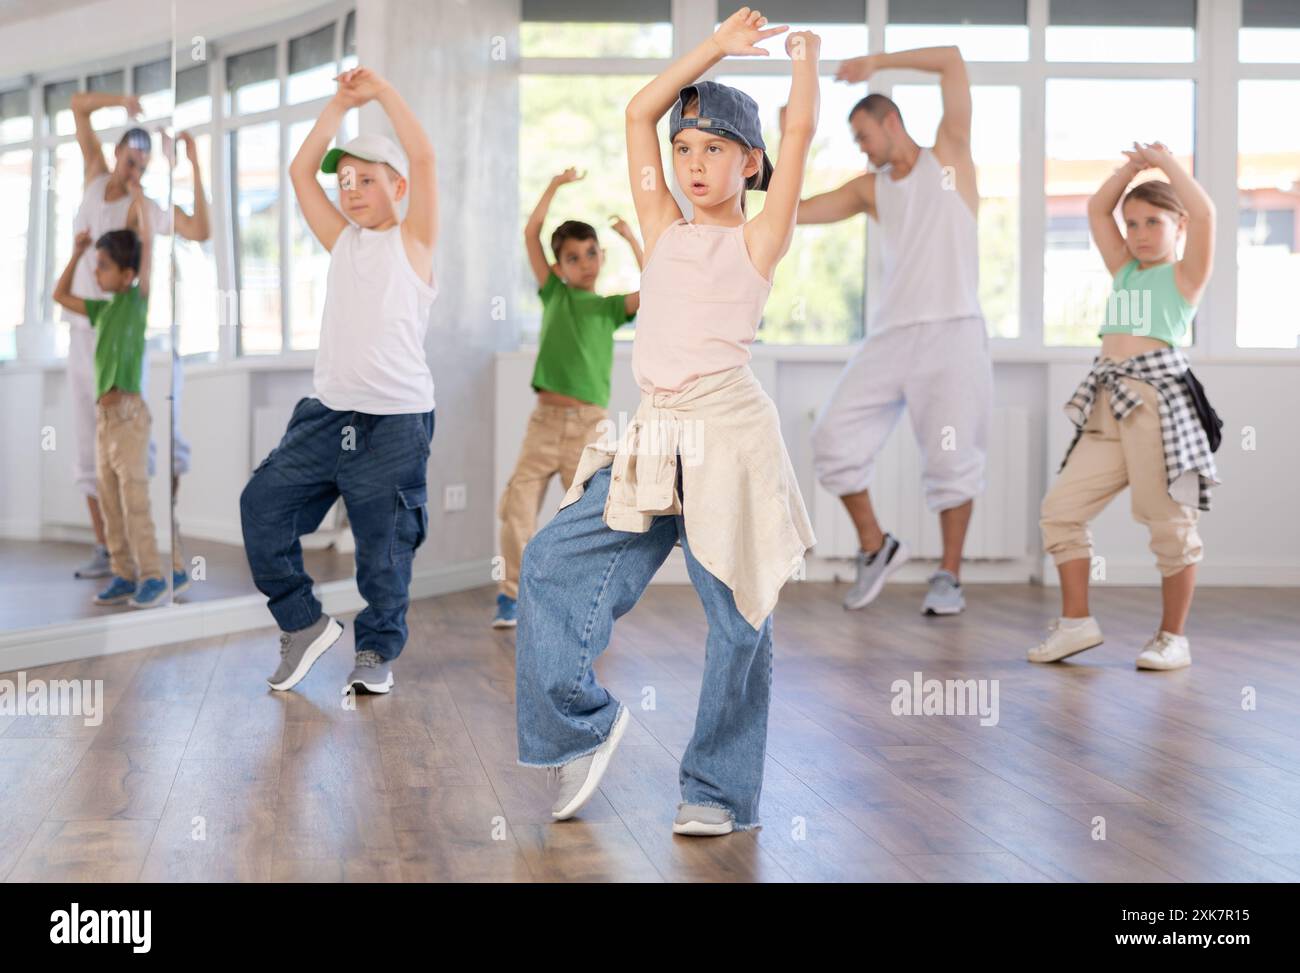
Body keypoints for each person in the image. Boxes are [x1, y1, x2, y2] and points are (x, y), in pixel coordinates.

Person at [515, 7, 818, 837]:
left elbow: (796, 146)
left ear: (746, 163)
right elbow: (637, 113)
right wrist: (715, 47)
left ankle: (717, 788)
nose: (691, 162)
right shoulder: (659, 231)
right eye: (685, 149)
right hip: (655, 433)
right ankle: (581, 722)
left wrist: (803, 66)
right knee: (548, 562)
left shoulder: (758, 240)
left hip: (728, 434)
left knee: (737, 619)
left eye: (713, 149)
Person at [239, 68, 438, 696]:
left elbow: (426, 155)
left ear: (398, 186)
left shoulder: (414, 240)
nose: (351, 191)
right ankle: (302, 624)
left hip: (395, 422)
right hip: (328, 416)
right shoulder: (343, 242)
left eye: (367, 179)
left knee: (382, 552)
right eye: (345, 181)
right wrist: (337, 104)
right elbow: (301, 173)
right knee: (262, 506)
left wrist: (382, 93)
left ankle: (376, 653)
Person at [792, 45, 992, 616]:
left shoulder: (949, 155)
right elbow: (799, 211)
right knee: (831, 439)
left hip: (954, 332)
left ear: (891, 121)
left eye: (863, 134)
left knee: (953, 463)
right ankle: (875, 546)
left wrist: (875, 61)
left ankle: (948, 576)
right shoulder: (869, 188)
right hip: (892, 337)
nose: (861, 147)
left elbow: (955, 60)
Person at [1030, 142, 1218, 671]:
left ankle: (1171, 637)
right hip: (1108, 403)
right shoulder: (1126, 270)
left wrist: (1169, 166)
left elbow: (1206, 211)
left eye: (1152, 222)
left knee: (1169, 525)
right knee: (1061, 512)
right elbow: (1096, 208)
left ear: (1177, 226)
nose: (1137, 234)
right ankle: (1075, 625)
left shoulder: (1184, 276)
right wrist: (1131, 170)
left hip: (1157, 406)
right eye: (1131, 223)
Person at [66, 92, 209, 586]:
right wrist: (121, 101)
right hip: (81, 332)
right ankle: (107, 548)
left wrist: (192, 166)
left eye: (144, 164)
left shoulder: (141, 206)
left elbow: (200, 229)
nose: (136, 168)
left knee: (135, 445)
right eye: (132, 157)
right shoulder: (92, 176)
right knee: (89, 445)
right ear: (119, 151)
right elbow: (77, 105)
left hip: (120, 335)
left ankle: (160, 551)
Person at [494, 167, 642, 628]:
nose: (586, 262)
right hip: (544, 423)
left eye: (592, 253)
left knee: (590, 515)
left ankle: (586, 599)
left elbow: (657, 285)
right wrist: (553, 185)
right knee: (517, 505)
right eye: (574, 257)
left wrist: (632, 237)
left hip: (588, 426)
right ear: (559, 268)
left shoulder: (610, 308)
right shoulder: (554, 293)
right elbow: (531, 231)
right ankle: (512, 596)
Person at [52, 215, 166, 609]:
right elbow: (59, 295)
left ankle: (151, 576)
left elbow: (147, 255)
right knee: (109, 500)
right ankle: (122, 572)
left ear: (128, 274)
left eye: (103, 266)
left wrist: (143, 226)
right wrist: (77, 252)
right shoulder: (102, 310)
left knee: (135, 500)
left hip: (130, 418)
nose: (96, 273)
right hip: (104, 422)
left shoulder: (136, 303)